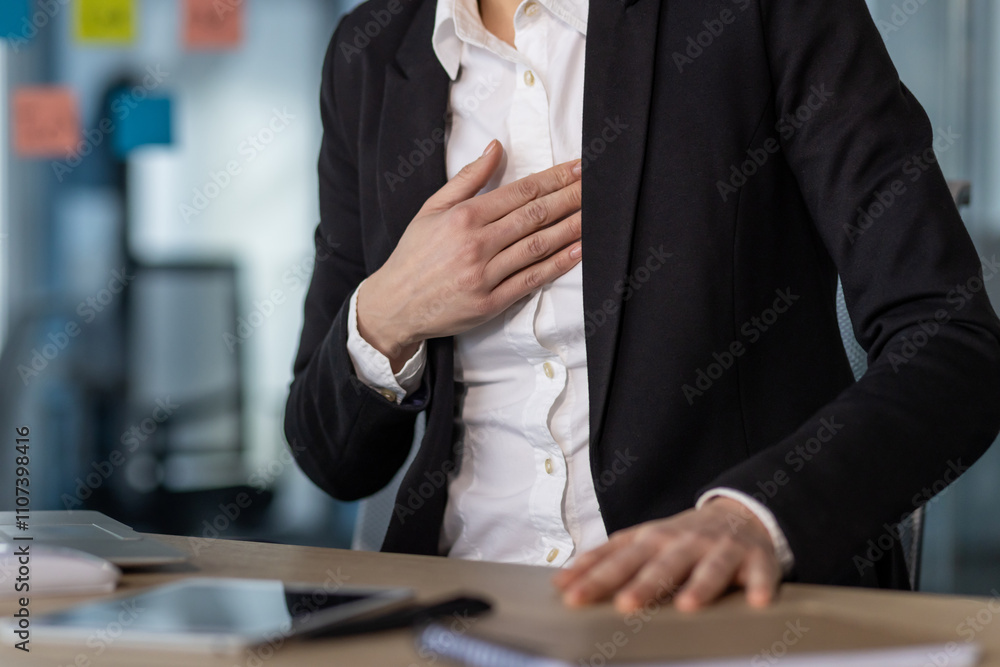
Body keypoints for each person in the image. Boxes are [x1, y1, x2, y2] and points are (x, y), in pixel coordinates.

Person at [285, 0, 1000, 613]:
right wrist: (387, 313)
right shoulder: (367, 53)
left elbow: (950, 339)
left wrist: (755, 517)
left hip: (722, 613)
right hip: (453, 618)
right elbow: (332, 459)